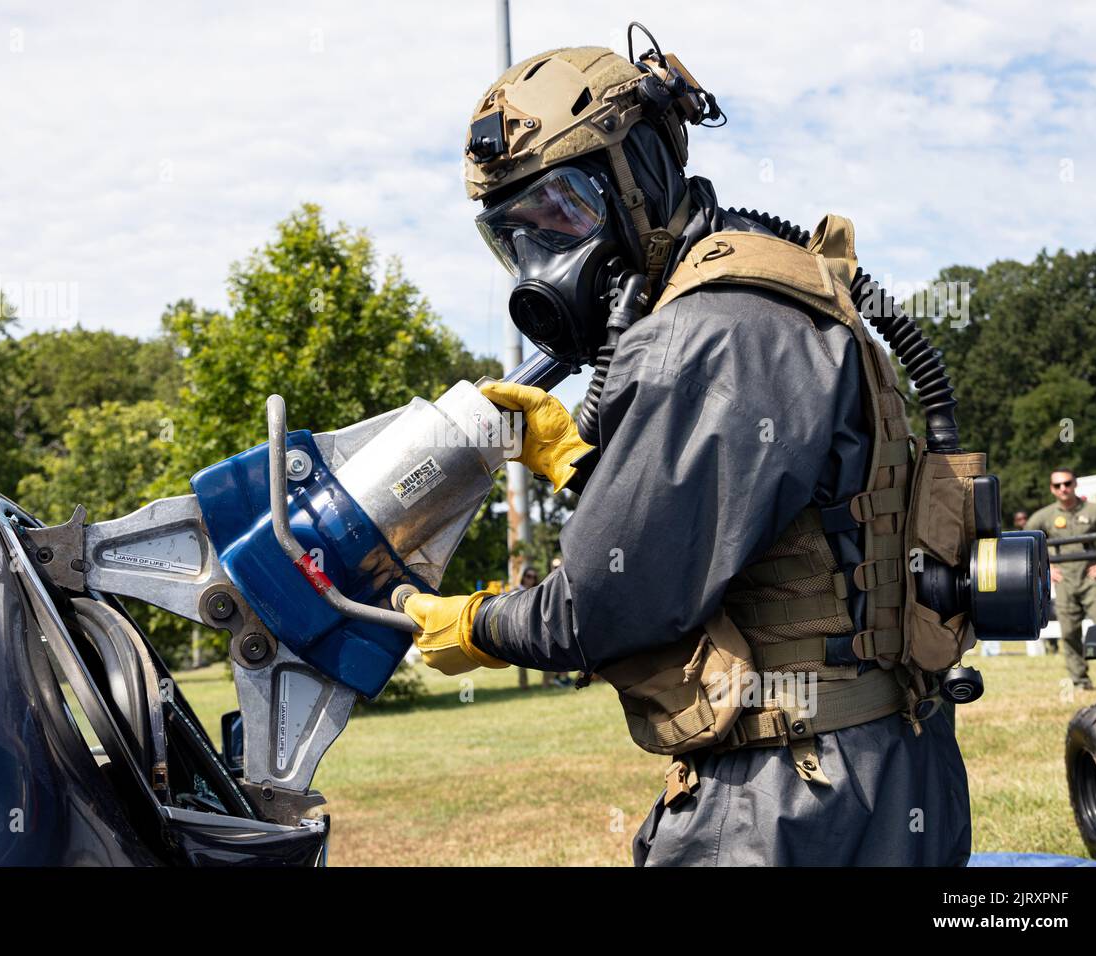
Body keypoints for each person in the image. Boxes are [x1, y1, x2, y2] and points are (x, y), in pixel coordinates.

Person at [404, 37, 970, 865]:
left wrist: (479, 623)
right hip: (897, 769)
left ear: (639, 174)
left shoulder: (702, 334)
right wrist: (580, 461)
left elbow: (602, 608)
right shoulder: (783, 292)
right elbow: (750, 527)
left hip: (786, 797)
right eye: (515, 238)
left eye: (562, 213)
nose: (544, 265)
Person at [1026, 468, 1096, 689]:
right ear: (1052, 489)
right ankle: (1079, 681)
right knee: (1068, 632)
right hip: (1064, 580)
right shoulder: (1044, 516)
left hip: (1091, 579)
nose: (1063, 488)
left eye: (1067, 483)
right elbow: (1025, 543)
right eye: (1057, 485)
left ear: (1075, 484)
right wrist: (1045, 569)